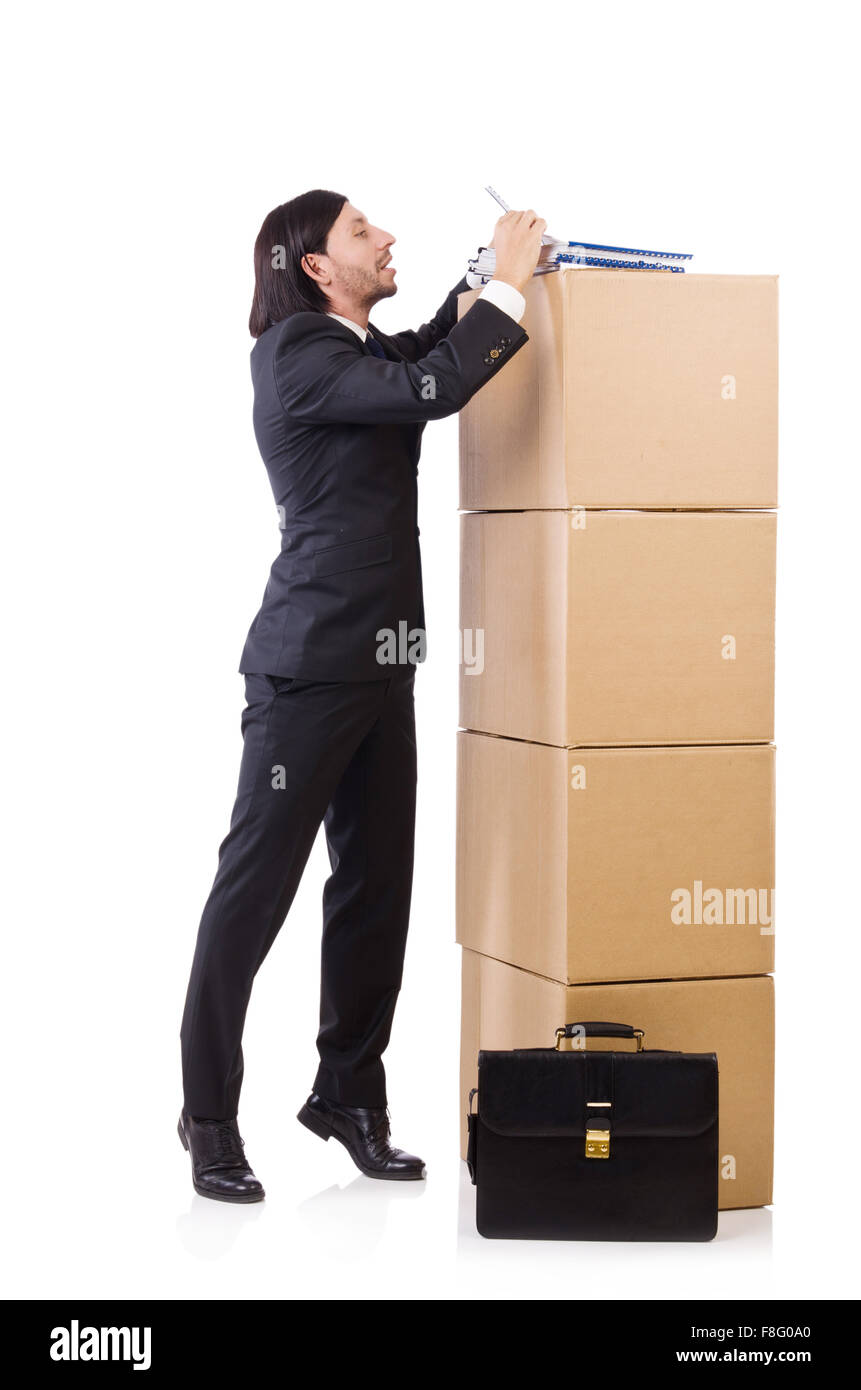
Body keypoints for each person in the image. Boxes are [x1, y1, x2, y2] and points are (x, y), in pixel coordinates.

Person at [177, 189, 546, 1201]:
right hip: (307, 672)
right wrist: (507, 286)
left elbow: (423, 352)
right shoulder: (297, 354)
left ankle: (348, 1094)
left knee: (377, 888)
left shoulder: (354, 350)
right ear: (313, 267)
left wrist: (479, 281)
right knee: (253, 895)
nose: (387, 238)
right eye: (361, 231)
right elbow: (434, 385)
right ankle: (207, 1114)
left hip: (385, 662)